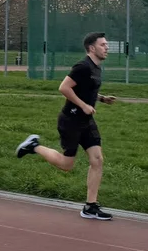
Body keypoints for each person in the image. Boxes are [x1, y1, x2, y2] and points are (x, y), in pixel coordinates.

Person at [15, 31, 118, 220]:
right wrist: (84, 106)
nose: (107, 48)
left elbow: (84, 90)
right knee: (66, 165)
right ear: (91, 48)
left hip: (86, 121)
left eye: (106, 45)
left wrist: (101, 99)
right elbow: (64, 87)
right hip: (71, 120)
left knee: (97, 160)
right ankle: (34, 146)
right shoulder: (82, 66)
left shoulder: (96, 68)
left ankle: (90, 206)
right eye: (103, 45)